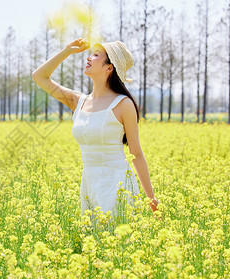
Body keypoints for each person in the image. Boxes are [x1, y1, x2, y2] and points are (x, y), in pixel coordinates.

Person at [32, 38, 159, 223]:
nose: (89, 58)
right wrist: (66, 51)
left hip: (117, 185)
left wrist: (152, 199)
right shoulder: (78, 101)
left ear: (109, 68)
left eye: (96, 55)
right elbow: (39, 76)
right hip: (89, 184)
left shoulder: (124, 105)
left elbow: (136, 154)